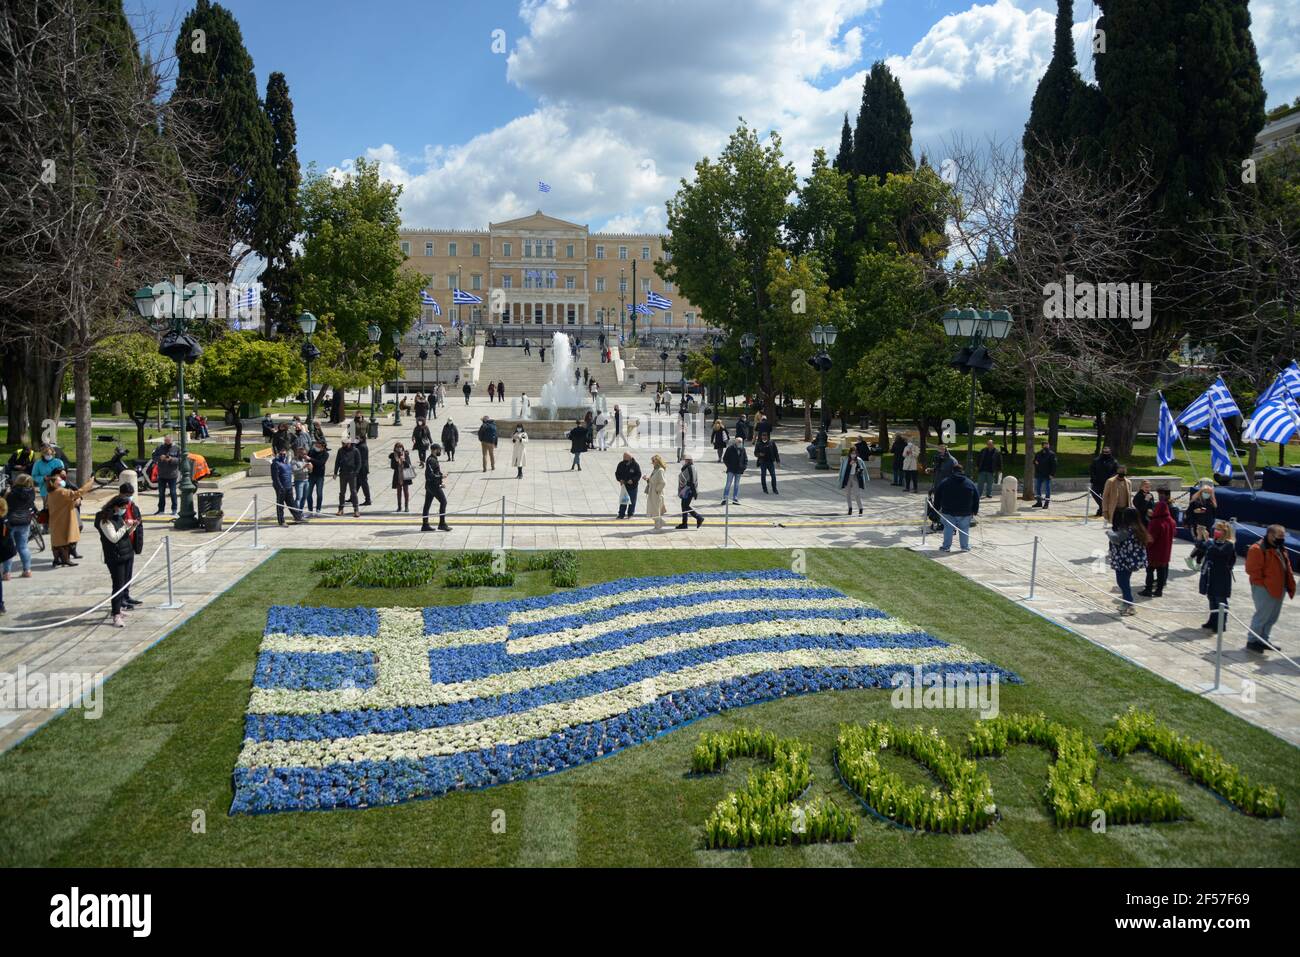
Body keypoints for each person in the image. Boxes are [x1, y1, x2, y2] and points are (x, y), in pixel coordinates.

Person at [1245, 524, 1294, 652]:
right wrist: (1264, 585)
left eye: (1283, 536)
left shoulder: (1280, 548)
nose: (1282, 539)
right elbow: (1252, 570)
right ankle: (1252, 640)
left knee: (1272, 616)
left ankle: (1263, 639)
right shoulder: (1257, 549)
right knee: (1262, 615)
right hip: (1264, 588)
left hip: (1279, 587)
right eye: (1279, 536)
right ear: (1270, 535)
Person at [94, 495, 138, 628]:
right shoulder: (105, 521)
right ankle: (115, 614)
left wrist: (133, 527)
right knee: (118, 585)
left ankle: (119, 609)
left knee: (124, 583)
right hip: (115, 557)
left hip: (126, 554)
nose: (124, 510)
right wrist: (125, 527)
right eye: (123, 508)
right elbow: (114, 538)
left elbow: (124, 534)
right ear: (116, 506)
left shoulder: (118, 517)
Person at [1192, 520, 1237, 631]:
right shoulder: (1213, 542)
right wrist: (1199, 534)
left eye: (1219, 529)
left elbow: (1217, 552)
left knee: (1220, 600)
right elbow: (1200, 546)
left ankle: (1221, 624)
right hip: (1210, 575)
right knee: (1211, 598)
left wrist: (1208, 539)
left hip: (1221, 577)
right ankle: (1212, 620)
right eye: (1216, 529)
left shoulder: (1229, 544)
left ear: (1225, 532)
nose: (1216, 531)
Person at [1106, 506, 1148, 616]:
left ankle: (1130, 605)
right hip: (1132, 560)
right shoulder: (1139, 528)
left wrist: (1108, 532)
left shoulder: (1126, 529)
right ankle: (1125, 603)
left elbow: (1115, 538)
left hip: (1123, 561)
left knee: (1122, 582)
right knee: (1126, 581)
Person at [47, 468, 94, 567]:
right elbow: (78, 492)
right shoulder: (62, 492)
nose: (61, 480)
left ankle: (56, 559)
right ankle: (66, 559)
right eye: (59, 480)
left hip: (55, 520)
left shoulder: (51, 493)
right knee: (65, 540)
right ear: (54, 483)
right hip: (64, 519)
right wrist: (90, 483)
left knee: (56, 541)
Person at [935, 464, 979, 552]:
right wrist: (975, 510)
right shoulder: (970, 483)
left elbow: (937, 495)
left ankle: (946, 547)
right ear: (962, 471)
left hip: (948, 510)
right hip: (965, 511)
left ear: (952, 471)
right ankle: (964, 547)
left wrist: (936, 507)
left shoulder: (945, 482)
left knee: (948, 529)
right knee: (964, 529)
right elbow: (976, 497)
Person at [1138, 499, 1177, 598]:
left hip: (1154, 551)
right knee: (1161, 571)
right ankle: (1159, 591)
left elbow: (1151, 538)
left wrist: (1145, 546)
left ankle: (1148, 589)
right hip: (1165, 551)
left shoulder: (1155, 522)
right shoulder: (1171, 521)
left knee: (1150, 571)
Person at [3, 473, 38, 580]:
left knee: (8, 548)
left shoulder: (11, 493)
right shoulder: (31, 492)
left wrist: (5, 493)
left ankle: (6, 573)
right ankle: (27, 570)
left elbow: (3, 504)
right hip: (24, 521)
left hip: (11, 522)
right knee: (23, 547)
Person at [420, 444, 451, 532]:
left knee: (427, 504)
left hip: (431, 485)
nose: (440, 452)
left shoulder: (433, 459)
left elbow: (436, 471)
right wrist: (441, 477)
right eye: (439, 450)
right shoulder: (431, 460)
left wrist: (441, 482)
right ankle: (442, 524)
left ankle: (425, 525)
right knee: (443, 502)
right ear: (434, 450)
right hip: (433, 486)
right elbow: (430, 474)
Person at [150, 436, 180, 515]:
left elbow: (180, 460)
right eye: (166, 441)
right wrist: (160, 458)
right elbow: (153, 457)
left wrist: (171, 459)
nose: (167, 443)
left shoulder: (176, 448)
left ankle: (174, 509)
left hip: (172, 475)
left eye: (169, 442)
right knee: (161, 493)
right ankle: (161, 509)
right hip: (162, 474)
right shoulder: (160, 448)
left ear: (172, 441)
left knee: (173, 492)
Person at [333, 437, 362, 517]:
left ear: (349, 443)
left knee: (353, 492)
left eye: (344, 443)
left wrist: (356, 472)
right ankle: (341, 509)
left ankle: (356, 510)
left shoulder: (355, 451)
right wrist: (335, 472)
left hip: (352, 474)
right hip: (343, 473)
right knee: (342, 492)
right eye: (342, 443)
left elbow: (359, 463)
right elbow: (337, 462)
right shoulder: (340, 450)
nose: (343, 445)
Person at [676, 453, 704, 529]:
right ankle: (684, 523)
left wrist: (694, 492)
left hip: (689, 491)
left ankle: (699, 517)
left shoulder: (690, 468)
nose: (682, 461)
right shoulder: (687, 467)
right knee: (684, 506)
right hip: (686, 490)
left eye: (683, 460)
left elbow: (692, 481)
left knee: (685, 506)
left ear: (687, 460)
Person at [1089, 447, 1118, 517]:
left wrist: (1111, 479)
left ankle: (1102, 509)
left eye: (1107, 452)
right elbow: (1092, 470)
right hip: (1097, 482)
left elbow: (1116, 471)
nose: (1105, 454)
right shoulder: (1096, 460)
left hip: (1107, 483)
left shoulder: (1114, 461)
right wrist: (1094, 478)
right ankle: (1103, 508)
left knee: (1104, 497)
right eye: (1104, 452)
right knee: (1094, 493)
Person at [270, 450, 297, 525]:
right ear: (277, 454)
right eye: (281, 454)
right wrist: (280, 487)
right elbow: (275, 478)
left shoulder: (286, 462)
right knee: (280, 505)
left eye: (284, 454)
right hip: (281, 488)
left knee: (292, 503)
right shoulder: (275, 464)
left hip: (288, 486)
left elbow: (289, 474)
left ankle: (298, 517)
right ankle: (281, 521)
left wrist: (291, 485)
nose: (283, 455)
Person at [645, 454, 669, 530]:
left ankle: (657, 527)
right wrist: (647, 479)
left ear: (658, 462)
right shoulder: (655, 469)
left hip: (656, 493)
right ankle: (660, 523)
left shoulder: (660, 470)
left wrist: (657, 490)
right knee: (653, 509)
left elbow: (663, 482)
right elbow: (653, 480)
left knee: (656, 509)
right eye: (652, 461)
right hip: (652, 492)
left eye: (653, 461)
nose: (652, 463)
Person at [840, 447, 866, 515]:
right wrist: (849, 465)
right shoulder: (846, 460)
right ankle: (850, 508)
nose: (853, 455)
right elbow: (843, 470)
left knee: (857, 494)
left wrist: (858, 469)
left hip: (855, 478)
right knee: (848, 494)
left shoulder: (859, 460)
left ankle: (860, 508)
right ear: (850, 453)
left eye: (854, 453)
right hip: (848, 478)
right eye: (852, 453)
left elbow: (862, 469)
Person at [388, 442, 413, 512]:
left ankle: (406, 506)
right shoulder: (393, 455)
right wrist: (397, 462)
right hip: (397, 475)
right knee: (399, 491)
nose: (399, 449)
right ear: (395, 448)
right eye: (397, 447)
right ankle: (399, 506)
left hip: (405, 475)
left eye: (400, 447)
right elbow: (392, 466)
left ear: (402, 448)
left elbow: (409, 465)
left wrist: (404, 461)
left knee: (406, 491)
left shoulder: (406, 454)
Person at [722, 436, 747, 504]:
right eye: (739, 442)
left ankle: (735, 498)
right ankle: (725, 498)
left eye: (741, 442)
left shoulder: (743, 449)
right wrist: (729, 466)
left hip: (739, 470)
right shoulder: (730, 448)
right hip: (731, 469)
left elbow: (745, 459)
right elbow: (725, 458)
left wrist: (744, 467)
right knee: (728, 484)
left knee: (736, 485)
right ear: (735, 442)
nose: (740, 443)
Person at [1031, 440, 1056, 509]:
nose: (1046, 446)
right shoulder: (1038, 453)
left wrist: (1052, 474)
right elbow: (1034, 461)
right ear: (1042, 446)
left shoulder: (1051, 454)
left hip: (1047, 475)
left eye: (1047, 445)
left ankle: (1046, 503)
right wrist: (1035, 462)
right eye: (1045, 445)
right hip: (1039, 474)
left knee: (1047, 490)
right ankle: (1039, 502)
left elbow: (1054, 465)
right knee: (1037, 489)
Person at [615, 453, 641, 518]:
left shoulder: (635, 465)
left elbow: (638, 475)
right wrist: (620, 479)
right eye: (623, 458)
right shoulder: (621, 464)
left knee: (632, 501)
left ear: (630, 458)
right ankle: (621, 514)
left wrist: (632, 480)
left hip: (633, 487)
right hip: (625, 486)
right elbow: (617, 473)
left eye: (626, 459)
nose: (624, 460)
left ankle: (630, 514)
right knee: (623, 501)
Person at [307, 440, 329, 515]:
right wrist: (309, 462)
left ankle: (318, 509)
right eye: (316, 445)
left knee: (319, 494)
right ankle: (310, 510)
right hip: (311, 475)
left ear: (323, 446)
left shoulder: (325, 454)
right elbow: (307, 459)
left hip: (320, 476)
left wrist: (311, 459)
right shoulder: (311, 451)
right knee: (308, 494)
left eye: (318, 445)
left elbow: (321, 463)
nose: (316, 447)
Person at [291, 447, 312, 521]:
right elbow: (294, 471)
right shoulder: (294, 460)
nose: (305, 455)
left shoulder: (305, 460)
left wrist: (310, 468)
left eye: (305, 454)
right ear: (299, 453)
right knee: (298, 498)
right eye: (303, 454)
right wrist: (303, 467)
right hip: (299, 481)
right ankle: (296, 514)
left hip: (306, 480)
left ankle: (300, 512)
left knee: (304, 497)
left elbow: (310, 472)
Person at [355, 434, 373, 506]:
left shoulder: (361, 447)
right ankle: (352, 497)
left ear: (362, 439)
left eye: (357, 438)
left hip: (362, 469)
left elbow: (359, 459)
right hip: (362, 468)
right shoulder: (360, 446)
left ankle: (368, 499)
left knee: (364, 484)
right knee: (357, 484)